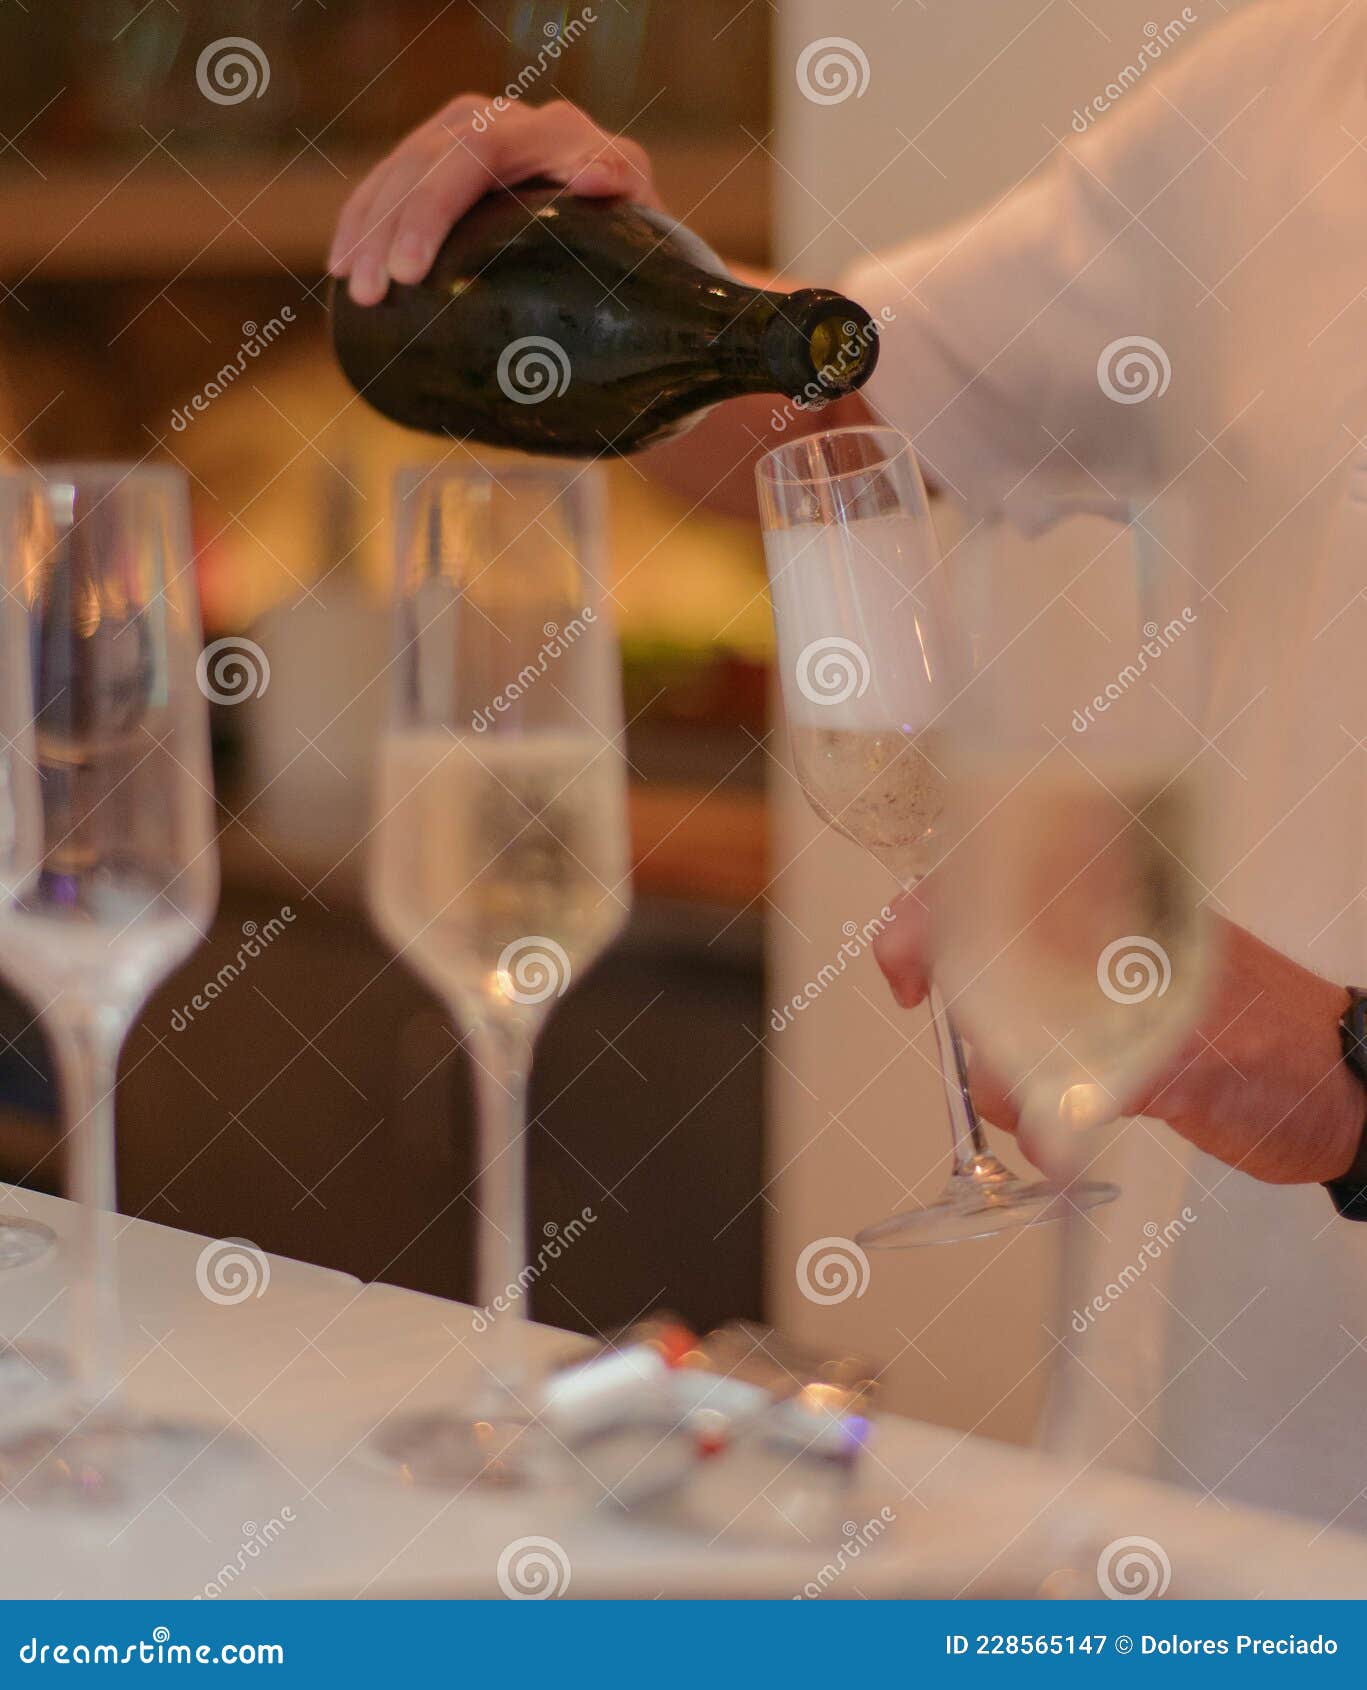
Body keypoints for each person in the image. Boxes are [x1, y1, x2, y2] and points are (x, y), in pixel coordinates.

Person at [331, 0, 1367, 1527]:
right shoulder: (1287, 93)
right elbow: (830, 404)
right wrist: (606, 263)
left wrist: (1350, 1076)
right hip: (1203, 1453)